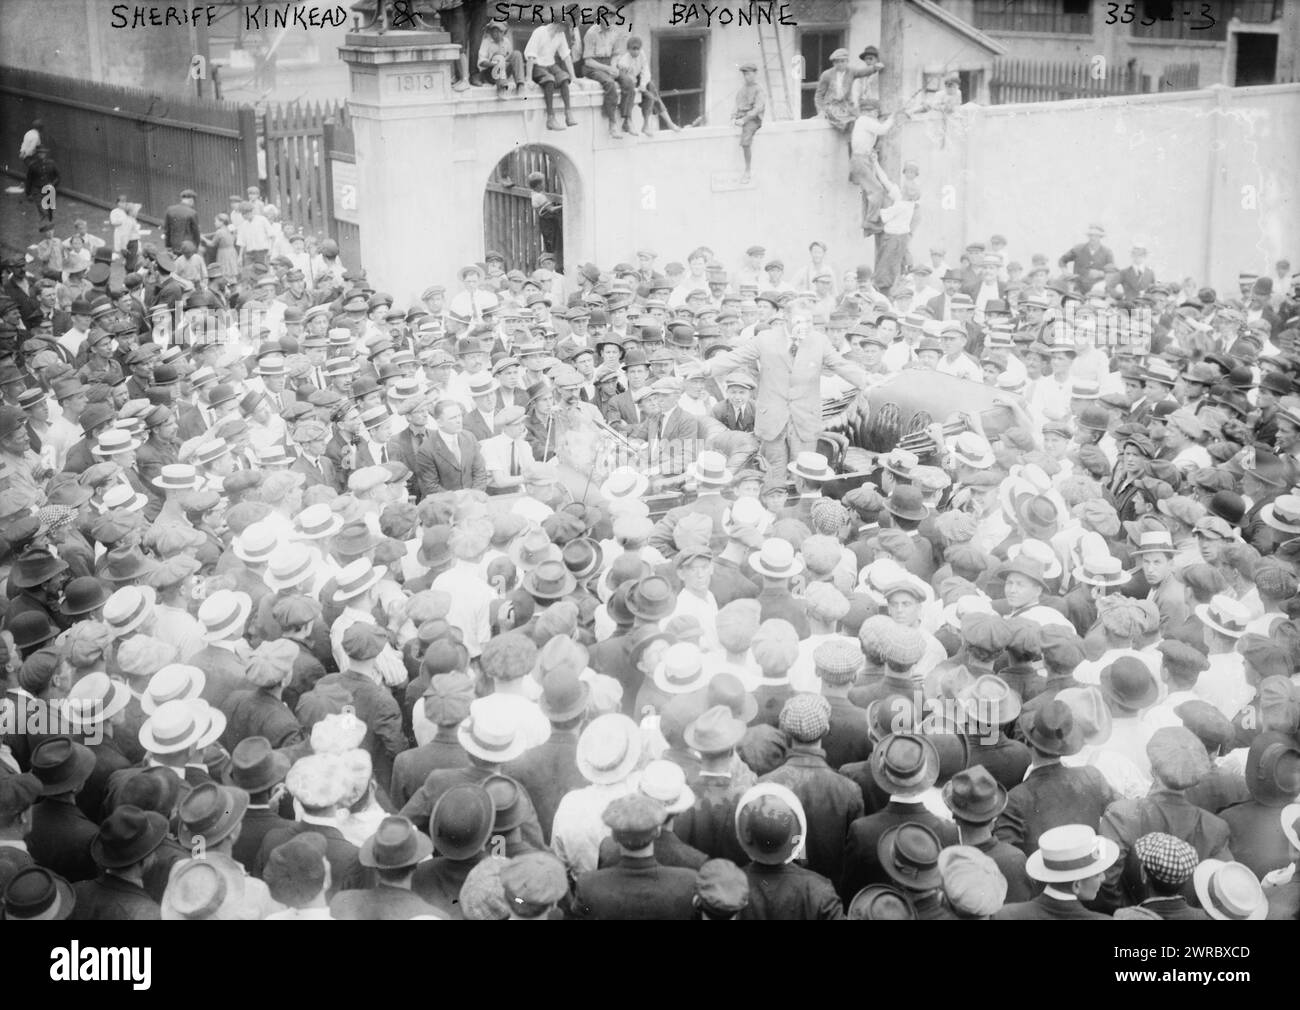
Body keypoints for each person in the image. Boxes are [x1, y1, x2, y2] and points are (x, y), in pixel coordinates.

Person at [524, 23, 577, 132]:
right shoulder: (539, 32)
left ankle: (568, 113)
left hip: (550, 64)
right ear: (558, 24)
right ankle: (550, 118)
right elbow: (531, 55)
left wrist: (573, 76)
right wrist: (528, 78)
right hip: (536, 65)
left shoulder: (560, 34)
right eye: (566, 27)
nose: (566, 30)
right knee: (550, 80)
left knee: (564, 78)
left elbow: (566, 56)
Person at [732, 63, 765, 184]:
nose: (746, 77)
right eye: (745, 74)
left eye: (749, 74)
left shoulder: (759, 90)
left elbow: (758, 109)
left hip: (754, 119)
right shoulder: (742, 89)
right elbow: (737, 105)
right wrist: (733, 117)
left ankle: (747, 171)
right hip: (743, 117)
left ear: (755, 74)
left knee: (746, 140)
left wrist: (744, 120)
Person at [162, 189, 201, 256]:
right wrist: (196, 247)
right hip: (188, 247)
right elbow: (196, 232)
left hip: (174, 245)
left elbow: (167, 230)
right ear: (191, 200)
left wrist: (168, 245)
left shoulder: (170, 210)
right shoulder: (192, 213)